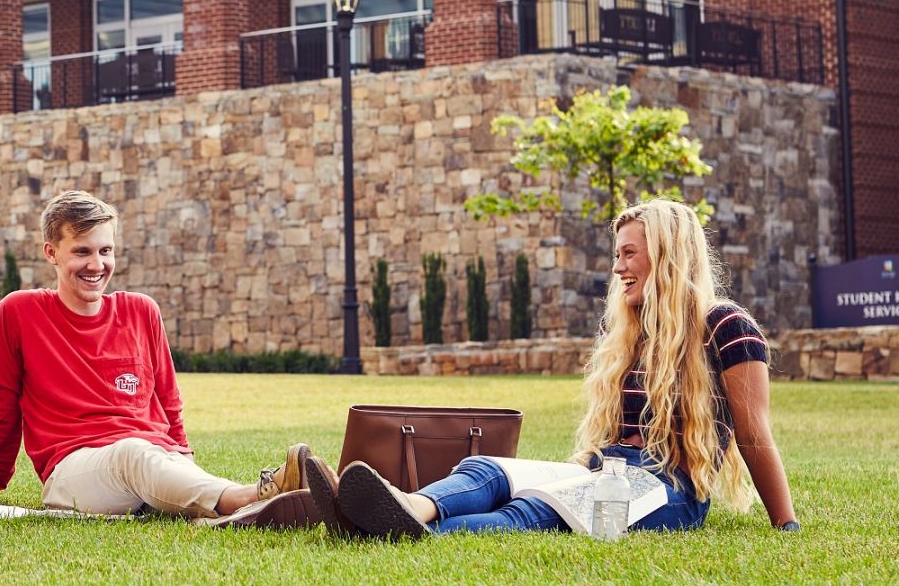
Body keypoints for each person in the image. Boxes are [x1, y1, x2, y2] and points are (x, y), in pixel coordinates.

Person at [336, 198, 800, 538]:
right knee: (488, 470)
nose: (618, 267)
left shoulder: (726, 325)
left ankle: (404, 531)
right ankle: (409, 507)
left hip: (670, 491)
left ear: (668, 255)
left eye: (629, 253)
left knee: (531, 512)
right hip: (605, 471)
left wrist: (786, 524)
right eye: (616, 254)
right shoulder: (625, 329)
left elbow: (754, 433)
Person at [0, 189, 336, 528]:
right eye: (82, 251)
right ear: (51, 253)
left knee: (147, 453)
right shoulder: (20, 312)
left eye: (105, 251)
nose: (96, 265)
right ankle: (253, 497)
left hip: (154, 458)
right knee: (134, 452)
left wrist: (183, 462)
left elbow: (169, 403)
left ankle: (317, 498)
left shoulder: (142, 311)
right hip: (75, 470)